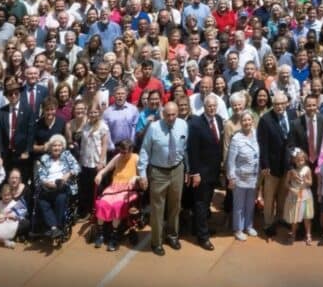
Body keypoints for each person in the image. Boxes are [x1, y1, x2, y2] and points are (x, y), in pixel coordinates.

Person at [136, 97, 187, 255]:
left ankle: (172, 235)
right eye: (168, 115)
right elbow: (144, 150)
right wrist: (142, 174)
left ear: (177, 113)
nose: (171, 118)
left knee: (175, 206)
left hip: (177, 169)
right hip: (158, 172)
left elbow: (184, 148)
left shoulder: (183, 125)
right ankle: (156, 242)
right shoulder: (154, 127)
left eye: (174, 115)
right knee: (158, 208)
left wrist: (186, 169)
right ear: (162, 114)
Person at [185, 89, 224, 250]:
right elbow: (192, 150)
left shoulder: (220, 120)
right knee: (201, 204)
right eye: (209, 106)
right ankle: (203, 237)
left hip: (214, 171)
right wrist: (195, 173)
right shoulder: (195, 124)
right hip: (201, 173)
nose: (212, 108)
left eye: (214, 106)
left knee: (206, 203)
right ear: (204, 107)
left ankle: (198, 228)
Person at [257, 91, 294, 240]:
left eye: (282, 103)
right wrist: (264, 165)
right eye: (276, 104)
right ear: (272, 105)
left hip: (287, 165)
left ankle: (281, 218)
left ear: (287, 103)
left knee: (283, 195)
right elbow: (263, 145)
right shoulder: (265, 120)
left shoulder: (292, 116)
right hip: (271, 166)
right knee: (269, 196)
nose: (279, 106)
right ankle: (268, 224)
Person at [93, 138, 141, 250]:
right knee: (102, 203)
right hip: (114, 187)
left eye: (125, 152)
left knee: (117, 205)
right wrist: (100, 174)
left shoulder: (136, 158)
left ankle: (114, 235)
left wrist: (135, 177)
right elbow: (106, 169)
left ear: (131, 150)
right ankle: (100, 233)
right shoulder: (118, 157)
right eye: (121, 151)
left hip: (128, 189)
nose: (122, 154)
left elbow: (142, 175)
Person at [34, 132, 79, 245]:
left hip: (63, 185)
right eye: (54, 145)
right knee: (42, 201)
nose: (57, 148)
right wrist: (46, 182)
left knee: (60, 199)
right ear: (50, 147)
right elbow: (40, 175)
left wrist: (67, 175)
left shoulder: (67, 155)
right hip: (48, 187)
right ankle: (55, 228)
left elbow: (77, 167)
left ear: (63, 147)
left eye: (59, 145)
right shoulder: (45, 158)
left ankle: (56, 227)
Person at [224, 110, 260, 241]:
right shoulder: (236, 138)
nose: (247, 122)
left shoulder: (256, 134)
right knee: (239, 205)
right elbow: (231, 161)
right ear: (240, 122)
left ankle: (249, 226)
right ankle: (238, 229)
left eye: (249, 120)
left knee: (250, 204)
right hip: (240, 178)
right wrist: (231, 177)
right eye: (244, 120)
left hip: (254, 176)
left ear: (252, 121)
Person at [282, 145, 315, 245]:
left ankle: (308, 235)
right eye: (297, 160)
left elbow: (311, 182)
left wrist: (306, 181)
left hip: (305, 195)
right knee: (294, 217)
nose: (300, 163)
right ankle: (293, 234)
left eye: (302, 160)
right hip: (294, 196)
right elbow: (286, 183)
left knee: (306, 217)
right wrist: (292, 189)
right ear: (294, 161)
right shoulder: (291, 172)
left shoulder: (307, 169)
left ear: (305, 160)